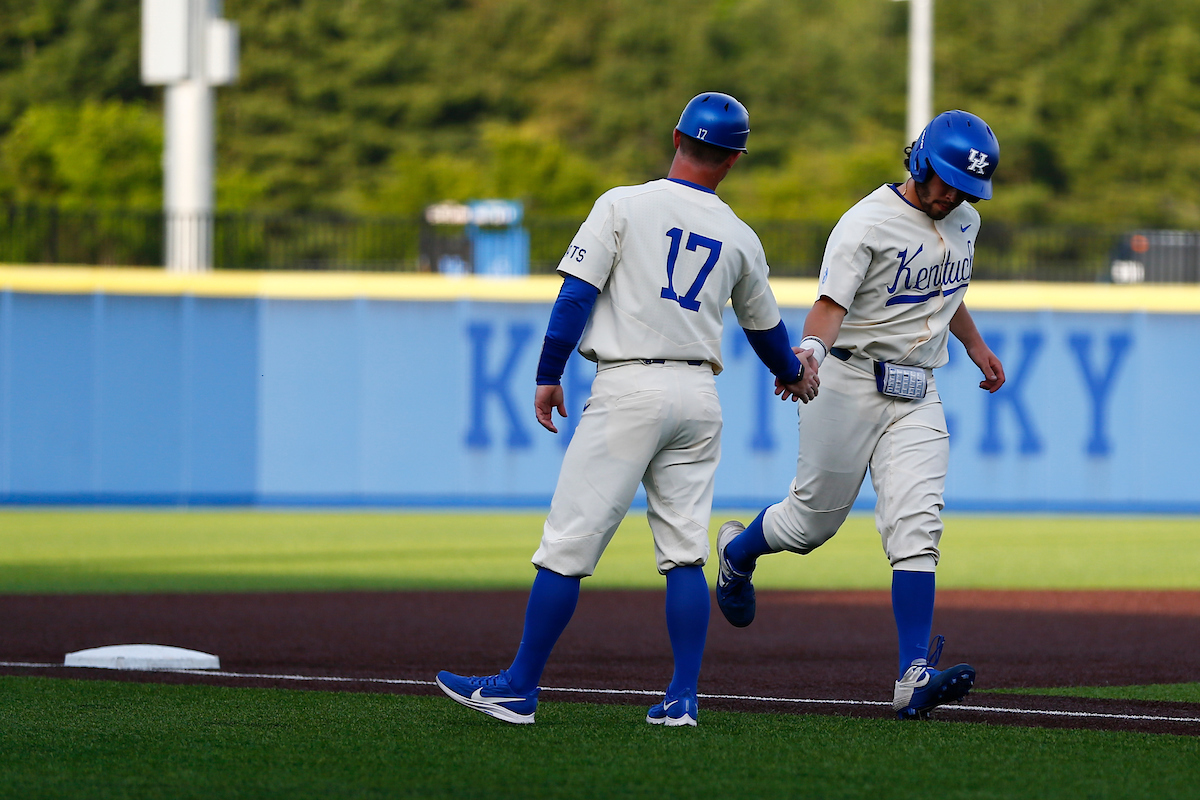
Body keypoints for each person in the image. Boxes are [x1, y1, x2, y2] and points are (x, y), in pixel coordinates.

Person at [436, 92, 820, 727]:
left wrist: (546, 374)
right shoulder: (741, 237)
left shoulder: (622, 204)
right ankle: (683, 699)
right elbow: (767, 333)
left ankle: (519, 688)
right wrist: (791, 375)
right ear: (734, 160)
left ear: (677, 137)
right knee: (685, 555)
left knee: (566, 547)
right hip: (698, 396)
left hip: (628, 386)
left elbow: (576, 294)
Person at [714, 109, 1006, 720]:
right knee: (808, 526)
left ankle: (911, 673)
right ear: (919, 161)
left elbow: (944, 293)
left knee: (917, 528)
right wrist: (809, 353)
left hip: (919, 389)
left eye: (965, 188)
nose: (952, 195)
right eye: (945, 180)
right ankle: (739, 553)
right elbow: (828, 306)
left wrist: (975, 345)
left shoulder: (966, 220)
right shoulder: (865, 223)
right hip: (848, 379)